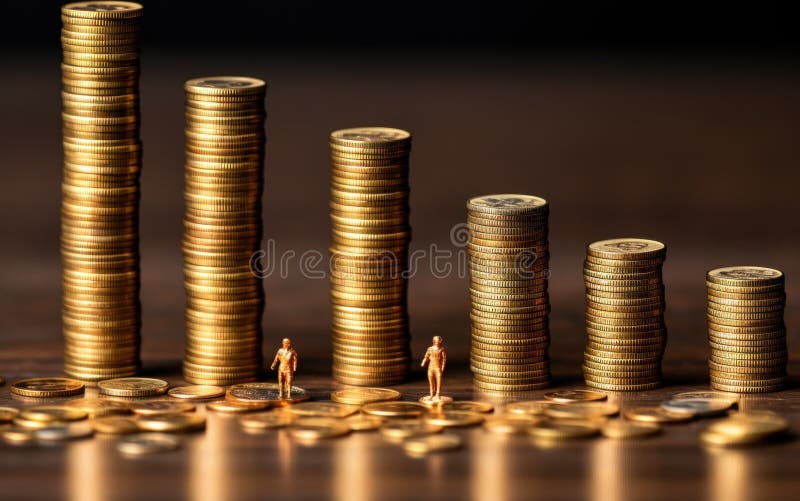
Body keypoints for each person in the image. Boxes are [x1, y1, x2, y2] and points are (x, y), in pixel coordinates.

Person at [421, 336, 446, 401]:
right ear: (433, 341)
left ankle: (437, 394)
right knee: (431, 382)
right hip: (431, 367)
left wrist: (443, 367)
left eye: (438, 341)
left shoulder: (442, 349)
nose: (437, 343)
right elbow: (426, 357)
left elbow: (444, 359)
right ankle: (432, 394)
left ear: (440, 341)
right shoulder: (430, 349)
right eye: (436, 341)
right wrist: (423, 362)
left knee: (439, 381)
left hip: (438, 368)